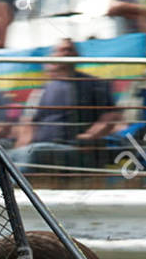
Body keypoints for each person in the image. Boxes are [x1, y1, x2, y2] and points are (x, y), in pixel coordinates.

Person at [12, 38, 119, 169]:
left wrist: (90, 136)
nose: (65, 53)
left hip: (71, 148)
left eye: (69, 50)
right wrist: (21, 146)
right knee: (6, 156)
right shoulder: (42, 90)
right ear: (53, 56)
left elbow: (111, 116)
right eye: (61, 50)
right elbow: (29, 123)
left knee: (30, 154)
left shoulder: (94, 85)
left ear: (77, 55)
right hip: (39, 146)